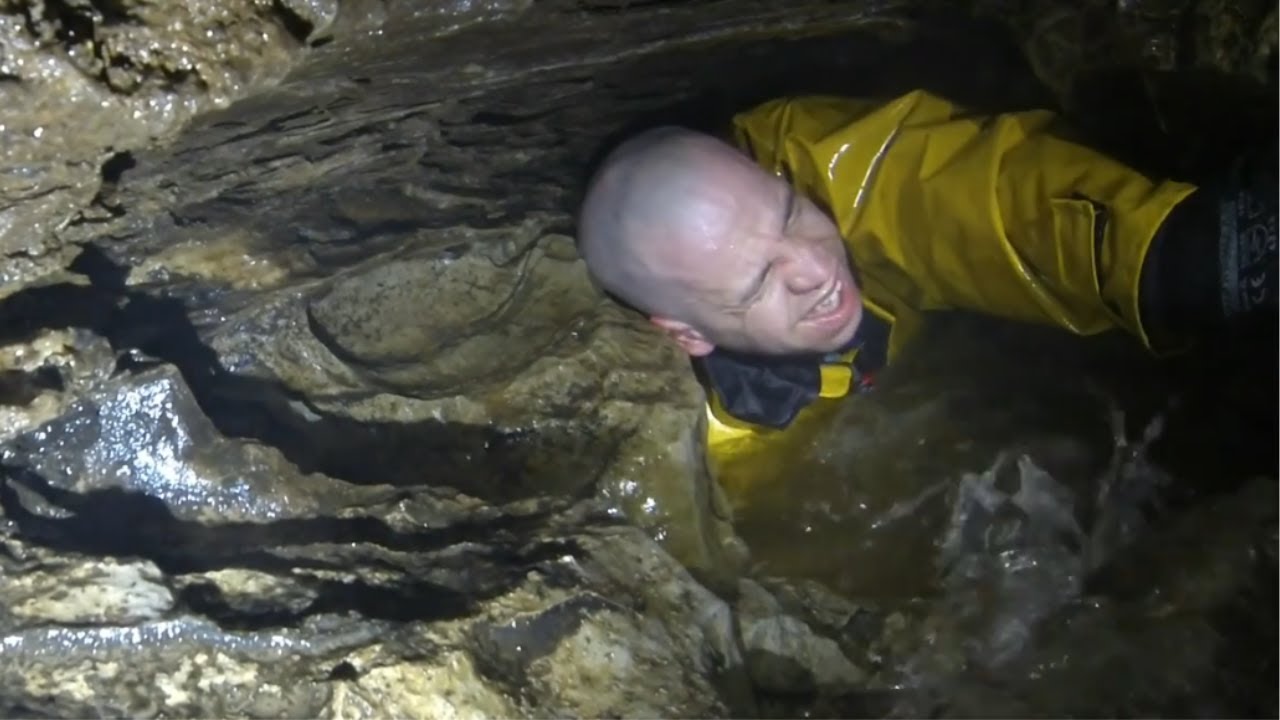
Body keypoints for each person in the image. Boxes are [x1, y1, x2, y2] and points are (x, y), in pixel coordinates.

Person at [575, 89, 1277, 463]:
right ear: (688, 334)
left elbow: (937, 185)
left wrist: (1165, 259)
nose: (818, 267)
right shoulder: (714, 437)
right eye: (758, 282)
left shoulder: (804, 165)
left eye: (793, 216)